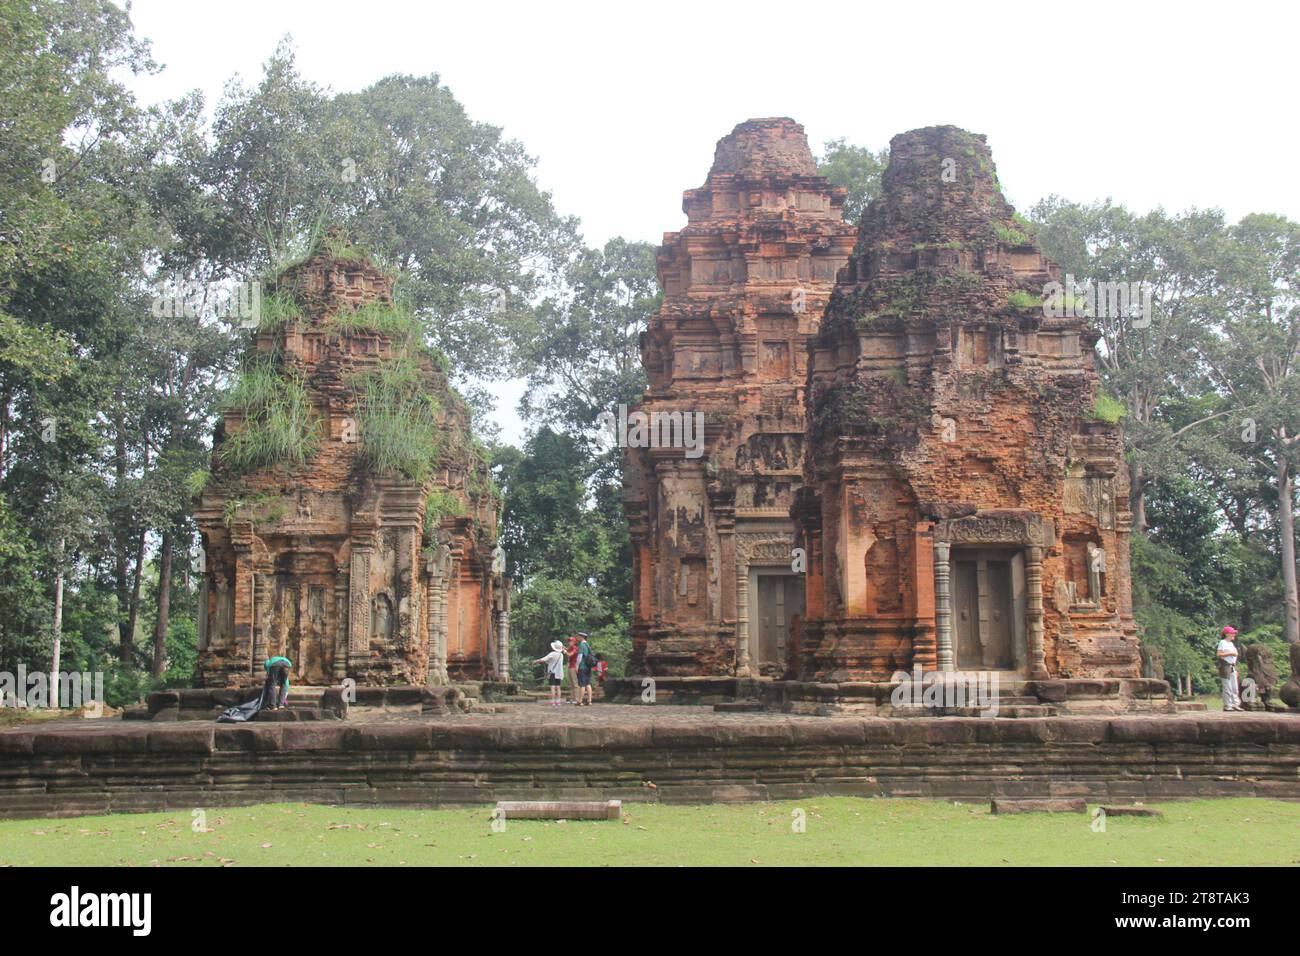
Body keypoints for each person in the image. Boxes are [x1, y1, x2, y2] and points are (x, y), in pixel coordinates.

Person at [1217, 626, 1242, 712]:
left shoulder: (1231, 644)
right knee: (1227, 686)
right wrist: (1230, 653)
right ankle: (1228, 705)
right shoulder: (1222, 642)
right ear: (1227, 634)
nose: (1234, 634)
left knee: (1234, 686)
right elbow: (1219, 654)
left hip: (1232, 666)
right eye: (1232, 633)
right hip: (1225, 665)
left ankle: (1235, 704)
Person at [534, 641, 566, 706]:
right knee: (558, 687)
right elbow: (552, 661)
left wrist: (536, 661)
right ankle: (558, 701)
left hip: (553, 673)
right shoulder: (561, 655)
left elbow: (544, 659)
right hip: (559, 673)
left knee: (552, 687)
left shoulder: (552, 654)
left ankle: (553, 701)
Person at [575, 632, 596, 706]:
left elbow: (580, 656)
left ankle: (580, 701)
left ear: (582, 637)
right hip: (588, 667)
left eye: (578, 636)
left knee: (582, 684)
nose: (577, 638)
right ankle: (589, 700)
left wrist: (577, 666)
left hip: (582, 666)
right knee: (588, 683)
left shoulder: (581, 644)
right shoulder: (587, 644)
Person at [565, 634, 581, 704]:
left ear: (574, 642)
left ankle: (576, 699)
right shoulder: (570, 648)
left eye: (571, 641)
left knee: (575, 684)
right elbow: (566, 650)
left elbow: (570, 654)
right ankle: (572, 699)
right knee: (571, 684)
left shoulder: (575, 648)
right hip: (570, 667)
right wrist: (563, 648)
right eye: (569, 641)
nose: (569, 642)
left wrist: (565, 651)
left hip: (573, 667)